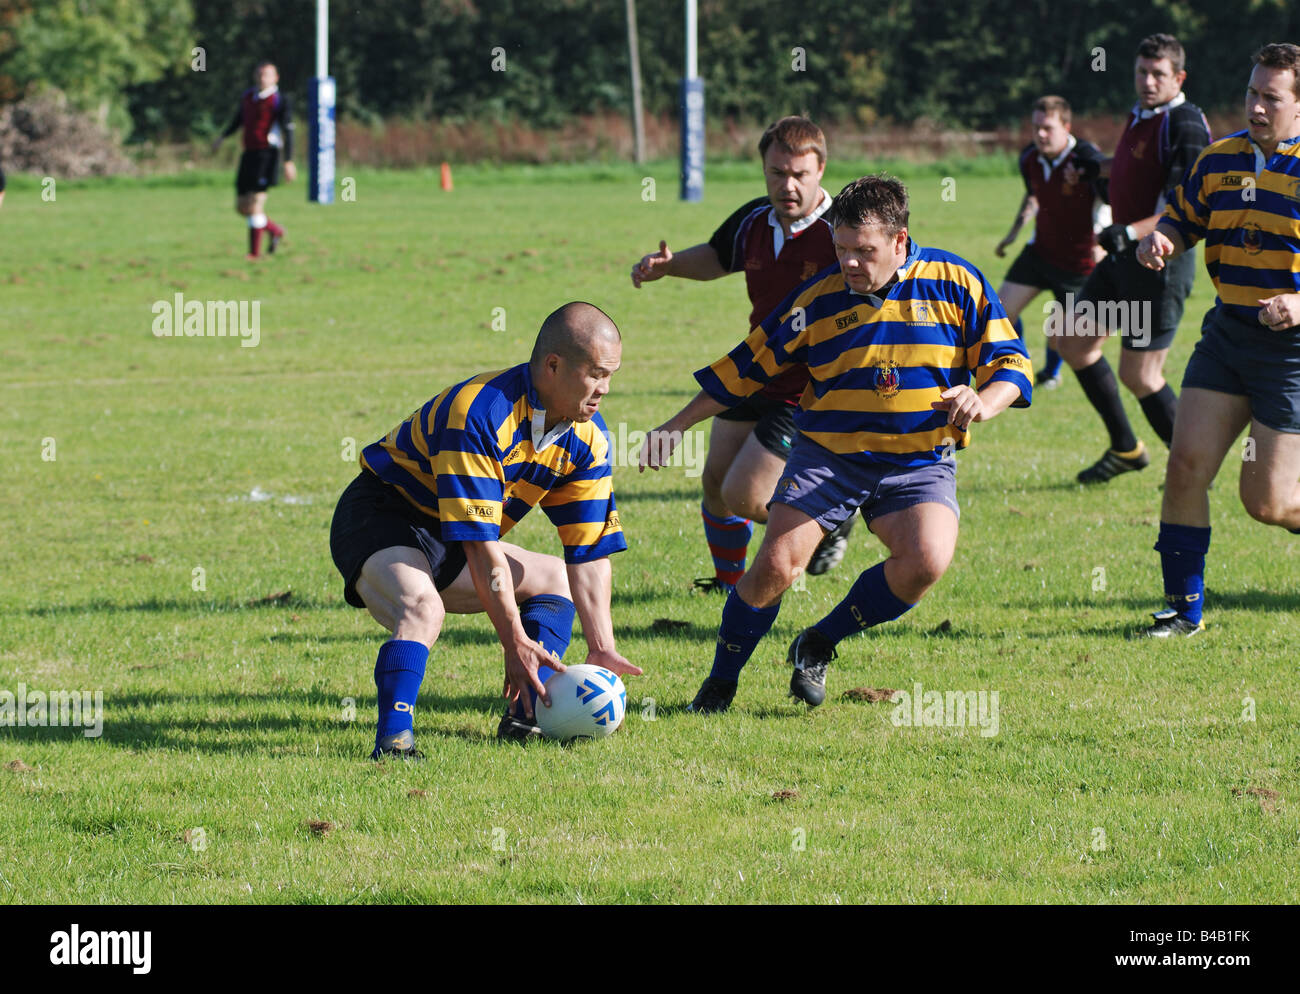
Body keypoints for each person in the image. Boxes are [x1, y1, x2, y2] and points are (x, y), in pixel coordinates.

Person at [640, 175, 1032, 712]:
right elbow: (745, 367)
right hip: (828, 458)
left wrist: (983, 401)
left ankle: (820, 641)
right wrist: (675, 424)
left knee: (925, 561)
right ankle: (719, 686)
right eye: (841, 248)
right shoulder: (817, 300)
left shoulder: (956, 283)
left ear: (899, 240)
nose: (849, 262)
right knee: (776, 567)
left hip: (918, 461)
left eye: (863, 251)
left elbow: (1011, 363)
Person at [329, 302, 642, 757]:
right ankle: (394, 742)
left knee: (555, 578)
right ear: (553, 366)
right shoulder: (480, 412)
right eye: (596, 374)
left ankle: (526, 713)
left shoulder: (587, 437)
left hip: (453, 536)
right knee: (422, 608)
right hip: (382, 517)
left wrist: (602, 646)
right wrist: (513, 640)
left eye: (610, 375)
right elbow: (480, 549)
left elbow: (589, 550)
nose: (605, 389)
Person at [630, 116, 849, 594]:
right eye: (777, 173)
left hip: (811, 387)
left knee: (743, 493)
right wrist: (670, 267)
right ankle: (729, 583)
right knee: (714, 482)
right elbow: (718, 255)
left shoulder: (842, 229)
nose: (788, 186)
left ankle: (831, 515)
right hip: (757, 369)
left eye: (800, 174)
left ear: (821, 170)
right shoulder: (754, 219)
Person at [1134, 43, 1300, 637]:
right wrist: (1162, 240)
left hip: (1291, 355)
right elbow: (1183, 217)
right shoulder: (1218, 158)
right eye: (1252, 93)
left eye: (1271, 98)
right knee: (1185, 467)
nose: (1256, 107)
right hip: (1228, 336)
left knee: (1268, 503)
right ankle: (1184, 612)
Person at [1054, 34, 1211, 483]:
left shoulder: (1185, 123)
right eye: (1142, 72)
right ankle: (1126, 448)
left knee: (1141, 374)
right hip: (1124, 256)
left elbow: (1187, 204)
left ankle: (1195, 471)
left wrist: (1130, 231)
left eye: (1158, 74)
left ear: (1179, 77)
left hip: (1159, 260)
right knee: (1072, 340)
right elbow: (1132, 170)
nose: (1147, 81)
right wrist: (1095, 167)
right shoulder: (1142, 114)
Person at [994, 95, 1109, 389]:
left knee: (1060, 329)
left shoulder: (1087, 158)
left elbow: (1111, 197)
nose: (1040, 135)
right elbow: (1034, 194)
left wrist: (1102, 241)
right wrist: (1013, 233)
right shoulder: (1029, 158)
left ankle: (1050, 374)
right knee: (999, 311)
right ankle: (1019, 365)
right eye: (1036, 128)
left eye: (1048, 128)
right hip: (1040, 252)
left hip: (1078, 262)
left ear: (1066, 127)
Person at [211, 61, 296, 260]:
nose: (262, 78)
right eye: (259, 74)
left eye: (266, 74)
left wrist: (288, 161)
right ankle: (275, 230)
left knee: (255, 204)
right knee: (242, 207)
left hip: (268, 155)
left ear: (275, 78)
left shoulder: (280, 100)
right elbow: (238, 120)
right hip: (249, 154)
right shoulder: (248, 97)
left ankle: (253, 254)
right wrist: (223, 137)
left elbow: (288, 131)